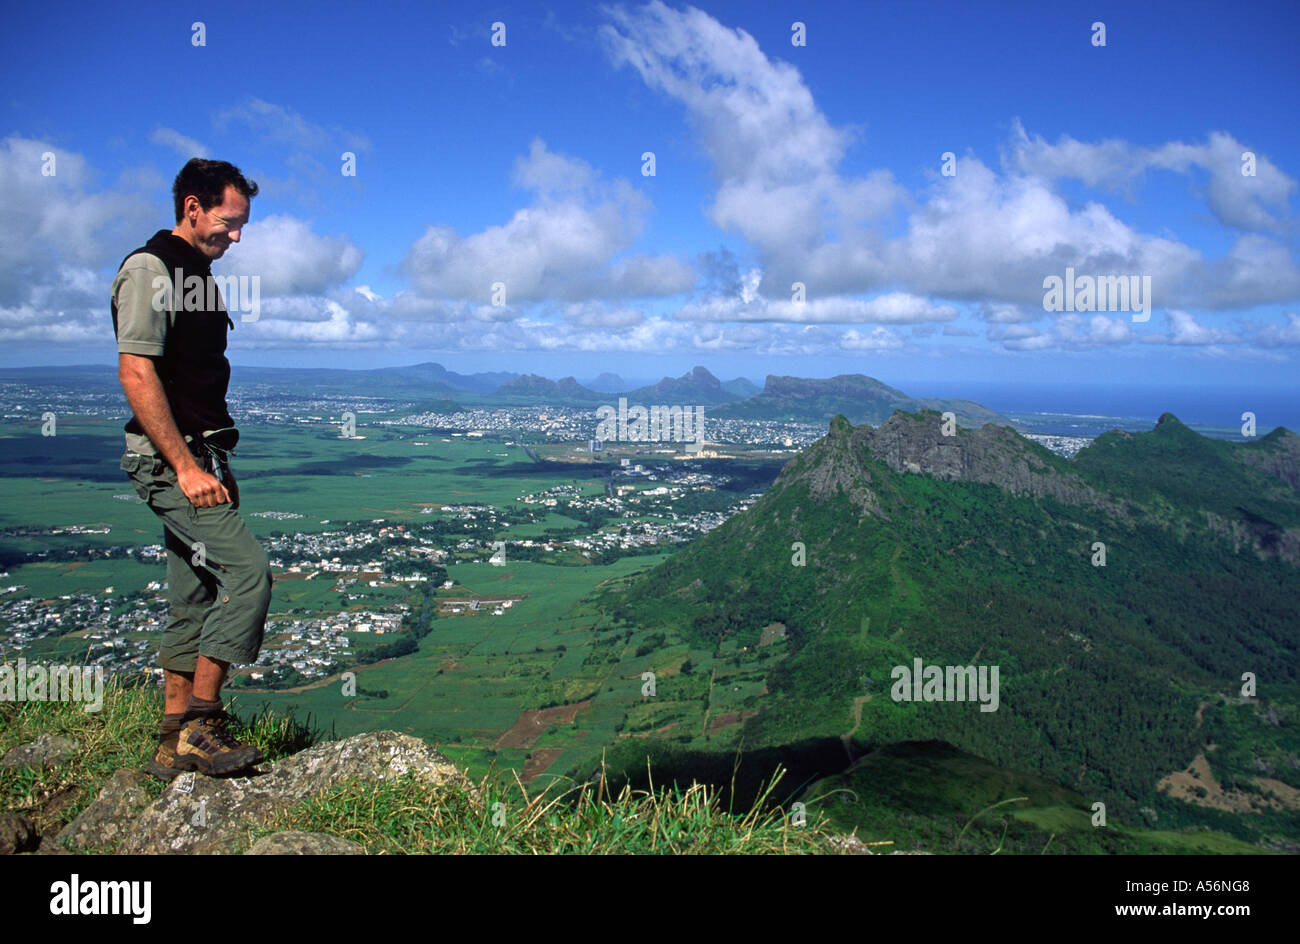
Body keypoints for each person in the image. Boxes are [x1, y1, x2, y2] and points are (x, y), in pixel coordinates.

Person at [113, 158, 272, 779]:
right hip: (170, 458)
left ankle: (170, 740)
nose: (237, 237)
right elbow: (136, 372)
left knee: (195, 593)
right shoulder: (150, 271)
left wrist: (211, 460)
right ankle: (203, 724)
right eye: (229, 224)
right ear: (193, 209)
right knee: (250, 572)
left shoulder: (196, 275)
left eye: (242, 226)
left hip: (201, 454)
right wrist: (183, 466)